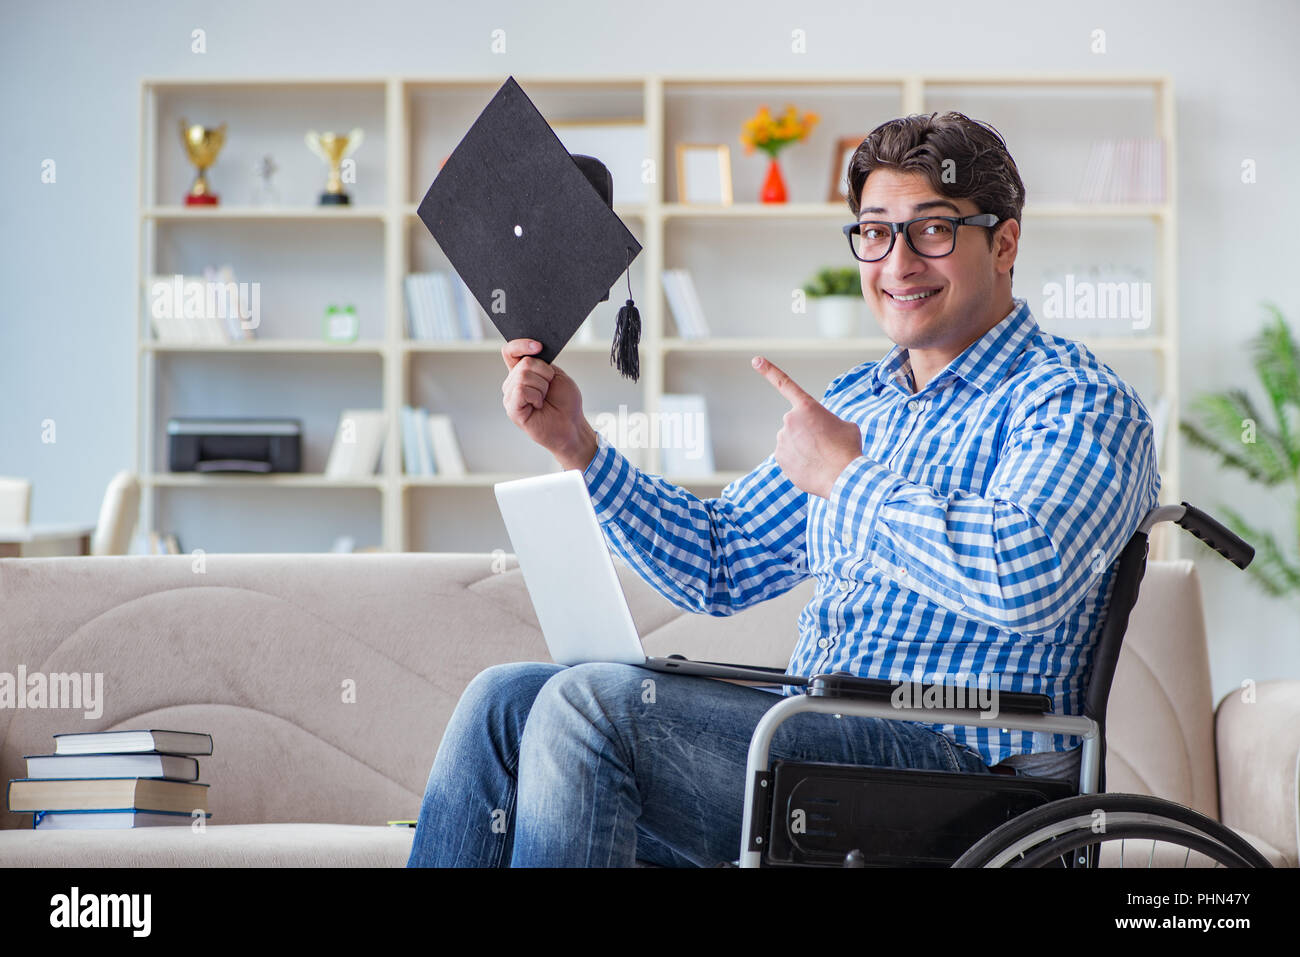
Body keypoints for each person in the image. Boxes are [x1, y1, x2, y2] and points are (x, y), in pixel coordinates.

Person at [406, 111, 1161, 868]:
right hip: (820, 744)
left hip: (963, 776)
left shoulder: (1074, 401)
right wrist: (581, 448)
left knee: (586, 709)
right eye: (874, 232)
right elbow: (720, 558)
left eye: (932, 230)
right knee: (501, 701)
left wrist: (847, 477)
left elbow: (1021, 574)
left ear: (1004, 242)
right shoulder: (859, 403)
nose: (898, 264)